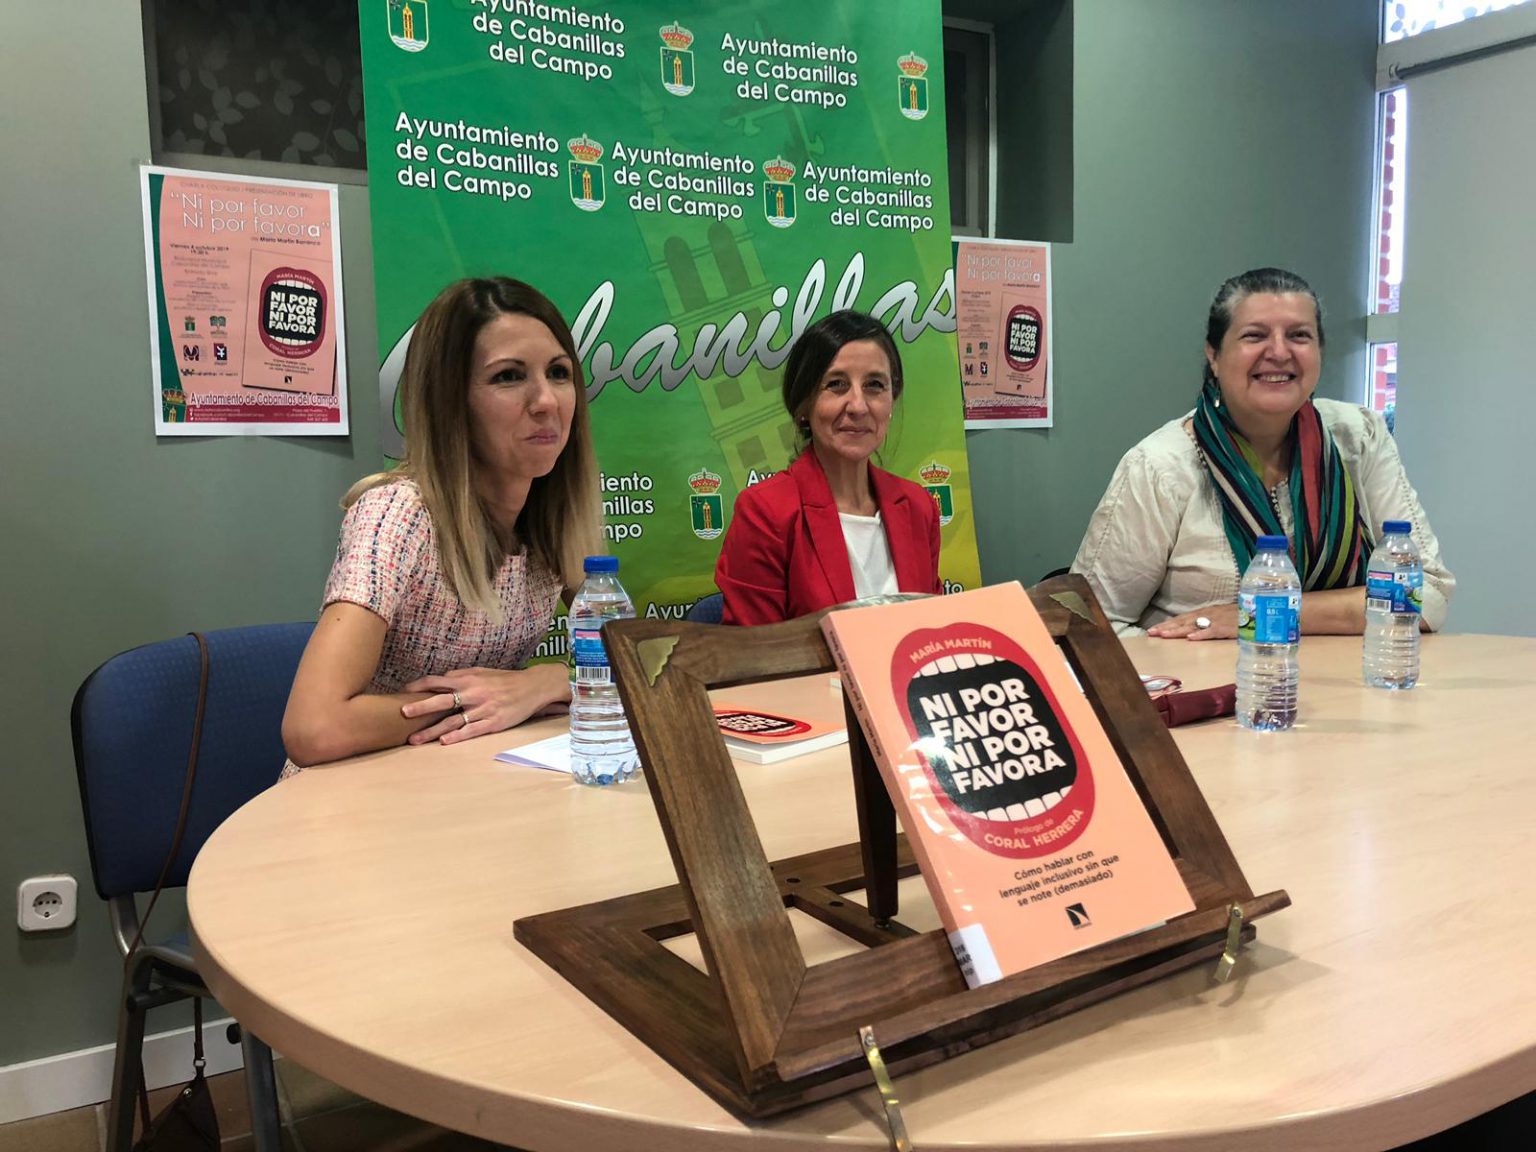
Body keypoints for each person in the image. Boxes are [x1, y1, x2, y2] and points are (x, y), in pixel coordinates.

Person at [281, 277, 602, 771]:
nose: (546, 401)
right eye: (508, 377)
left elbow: (638, 660)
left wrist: (549, 682)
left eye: (558, 373)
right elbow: (314, 727)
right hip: (351, 800)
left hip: (463, 783)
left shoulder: (550, 519)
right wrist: (472, 702)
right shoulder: (398, 514)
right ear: (451, 402)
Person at [1072, 267, 1453, 638]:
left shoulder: (1360, 438)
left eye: (1299, 335)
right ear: (1214, 356)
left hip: (1351, 690)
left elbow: (1426, 596)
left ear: (1319, 352)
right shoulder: (1159, 467)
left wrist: (1250, 615)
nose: (1279, 351)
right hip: (1208, 693)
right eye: (1254, 335)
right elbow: (1086, 627)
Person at [715, 310, 941, 626]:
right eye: (836, 384)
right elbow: (753, 660)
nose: (858, 406)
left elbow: (932, 634)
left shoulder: (918, 507)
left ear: (892, 400)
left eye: (875, 385)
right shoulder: (766, 513)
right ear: (804, 405)